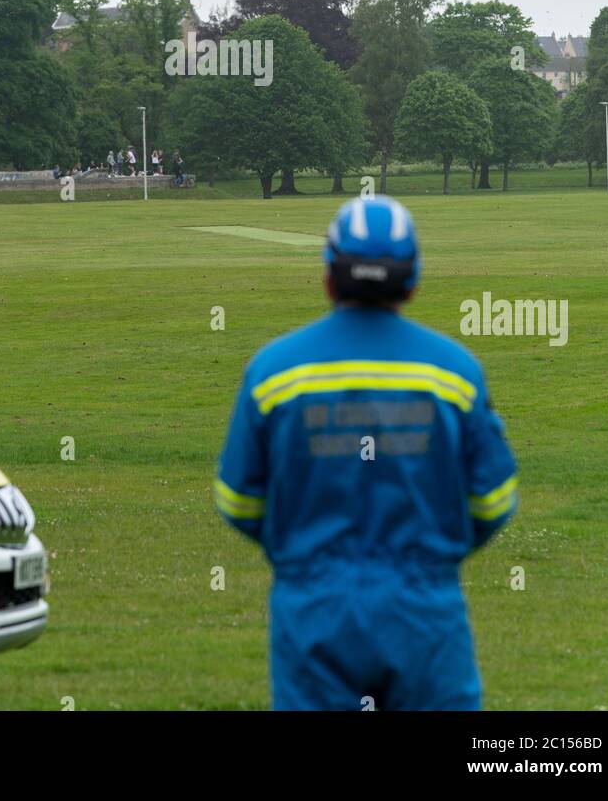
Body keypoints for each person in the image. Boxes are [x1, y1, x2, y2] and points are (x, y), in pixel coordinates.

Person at [215, 195, 517, 712]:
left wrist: (302, 553)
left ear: (329, 277)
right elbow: (492, 501)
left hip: (313, 607)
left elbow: (239, 501)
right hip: (425, 608)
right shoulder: (455, 373)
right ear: (414, 281)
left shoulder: (274, 373)